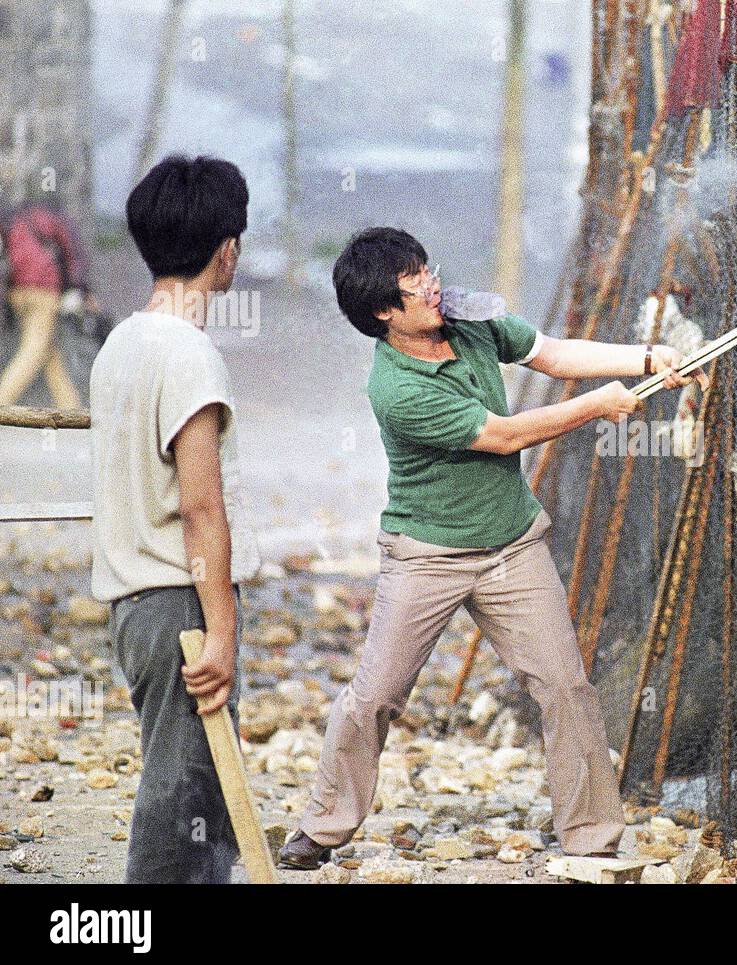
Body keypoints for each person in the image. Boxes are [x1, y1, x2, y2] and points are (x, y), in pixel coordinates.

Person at [279, 227, 704, 868]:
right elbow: (503, 437)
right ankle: (324, 825)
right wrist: (596, 408)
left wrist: (647, 358)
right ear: (383, 313)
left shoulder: (471, 319)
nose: (431, 284)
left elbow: (555, 355)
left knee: (565, 686)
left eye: (426, 268)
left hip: (512, 546)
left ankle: (593, 839)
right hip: (426, 552)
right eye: (413, 282)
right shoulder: (395, 390)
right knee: (376, 696)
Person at [89, 155, 260, 883]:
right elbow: (199, 507)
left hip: (136, 606)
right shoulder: (190, 355)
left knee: (199, 798)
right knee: (180, 807)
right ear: (227, 252)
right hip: (179, 605)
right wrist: (220, 627)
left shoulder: (121, 344)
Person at [0, 199, 91, 409]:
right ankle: (2, 401)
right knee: (33, 350)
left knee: (49, 352)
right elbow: (73, 251)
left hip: (18, 291)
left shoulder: (15, 219)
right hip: (44, 290)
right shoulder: (51, 218)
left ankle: (71, 409)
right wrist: (79, 288)